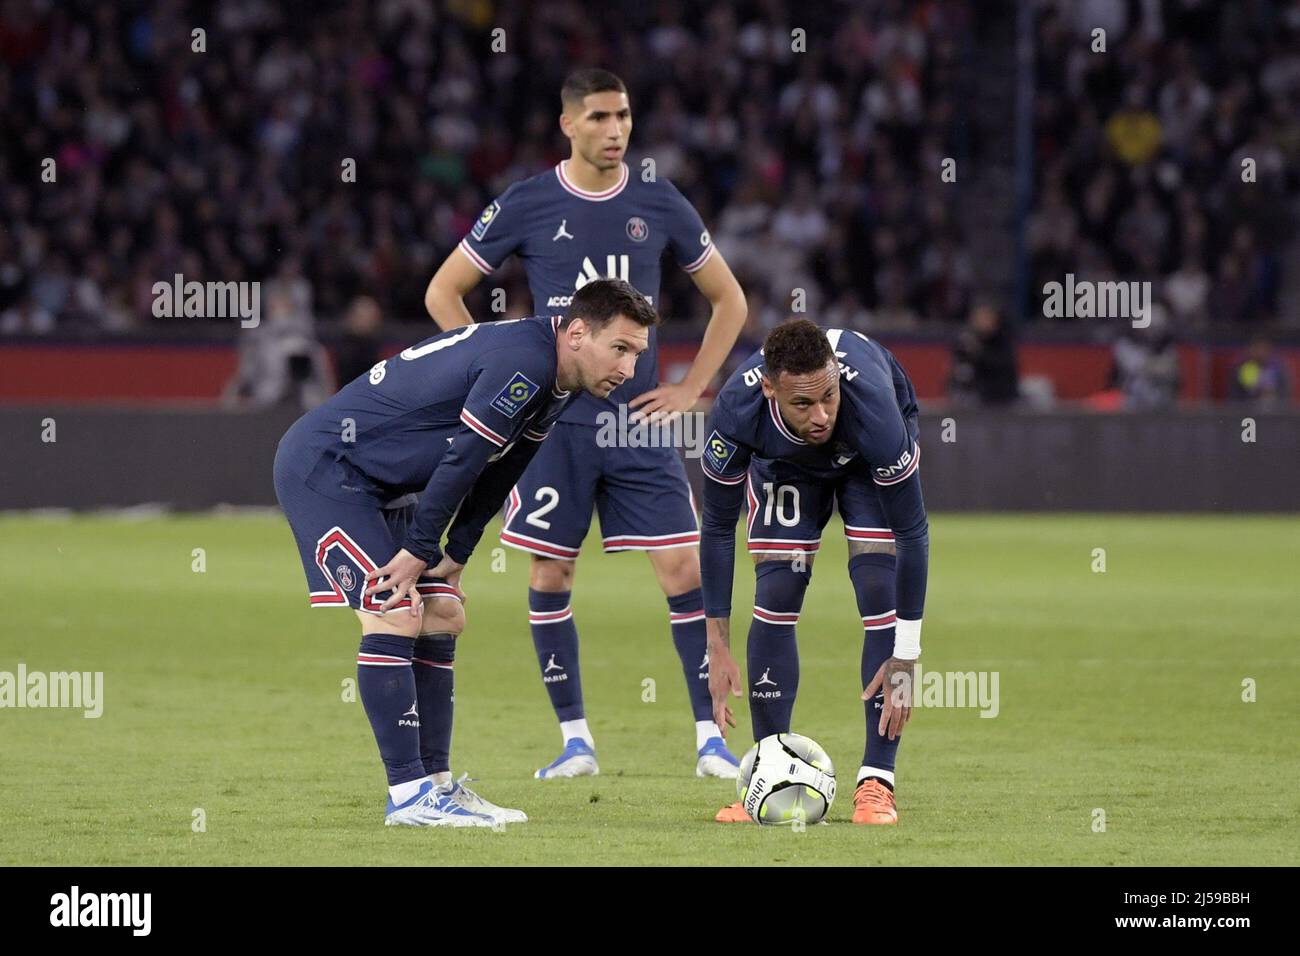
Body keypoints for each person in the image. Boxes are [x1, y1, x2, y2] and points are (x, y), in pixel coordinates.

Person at [424, 68, 748, 780]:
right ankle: (575, 742)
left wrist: (694, 388)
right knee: (550, 571)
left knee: (682, 566)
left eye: (625, 116)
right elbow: (443, 290)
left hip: (637, 422)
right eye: (600, 117)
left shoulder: (658, 199)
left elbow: (730, 300)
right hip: (552, 425)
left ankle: (711, 742)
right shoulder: (528, 202)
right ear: (568, 124)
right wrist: (493, 370)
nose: (616, 130)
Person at [273, 280, 657, 826]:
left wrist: (455, 551)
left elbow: (504, 466)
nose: (630, 367)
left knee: (444, 614)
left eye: (638, 352)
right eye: (620, 348)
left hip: (380, 482)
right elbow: (463, 460)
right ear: (576, 333)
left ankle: (437, 785)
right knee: (395, 610)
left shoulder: (555, 378)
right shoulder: (523, 363)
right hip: (326, 469)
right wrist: (419, 549)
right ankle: (408, 798)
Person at [698, 319, 930, 825]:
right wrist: (715, 644)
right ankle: (769, 770)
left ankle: (877, 782)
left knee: (876, 585)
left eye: (827, 396)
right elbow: (716, 525)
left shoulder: (873, 412)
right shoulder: (737, 411)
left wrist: (907, 656)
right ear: (769, 388)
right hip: (788, 468)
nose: (821, 414)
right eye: (802, 404)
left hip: (865, 462)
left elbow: (913, 534)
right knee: (777, 590)